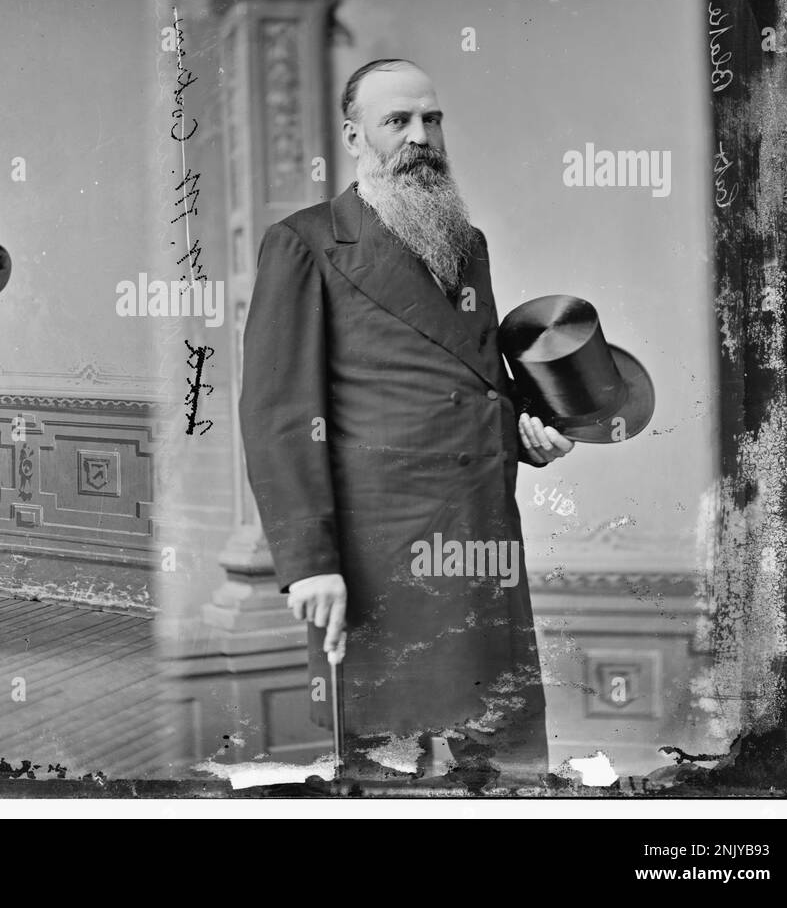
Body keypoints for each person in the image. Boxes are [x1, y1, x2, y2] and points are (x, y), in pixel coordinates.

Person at [239, 59, 573, 782]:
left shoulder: (467, 242)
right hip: (381, 549)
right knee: (389, 760)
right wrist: (309, 562)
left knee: (499, 755)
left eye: (432, 119)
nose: (421, 136)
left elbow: (476, 380)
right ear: (354, 135)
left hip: (481, 529)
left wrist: (528, 432)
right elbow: (278, 415)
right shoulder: (305, 242)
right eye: (398, 121)